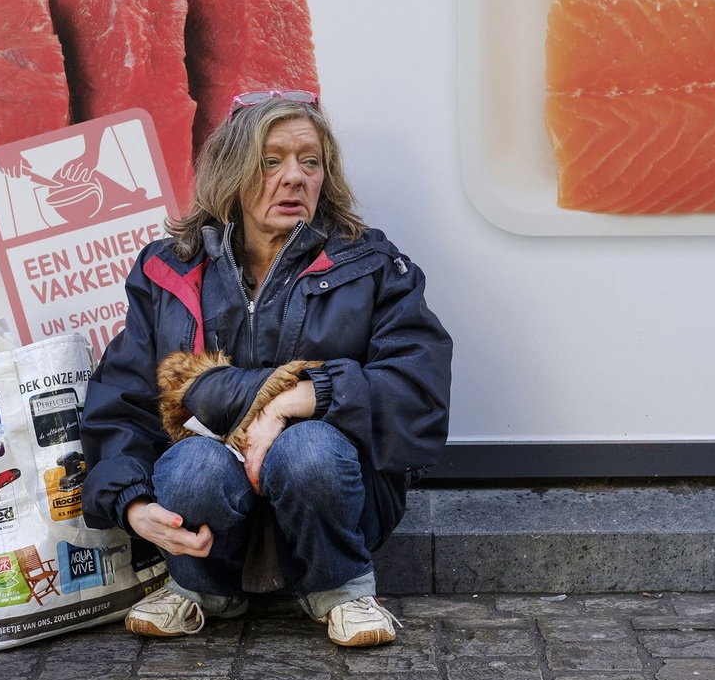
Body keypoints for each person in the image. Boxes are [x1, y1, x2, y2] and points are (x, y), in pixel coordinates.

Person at [79, 90, 452, 647]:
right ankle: (201, 587)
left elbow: (418, 390)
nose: (294, 177)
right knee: (191, 467)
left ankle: (342, 588)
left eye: (310, 161)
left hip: (332, 490)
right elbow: (123, 400)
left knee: (309, 451)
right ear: (231, 173)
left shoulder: (374, 266)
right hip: (212, 498)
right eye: (270, 161)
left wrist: (300, 399)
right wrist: (129, 502)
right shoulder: (169, 269)